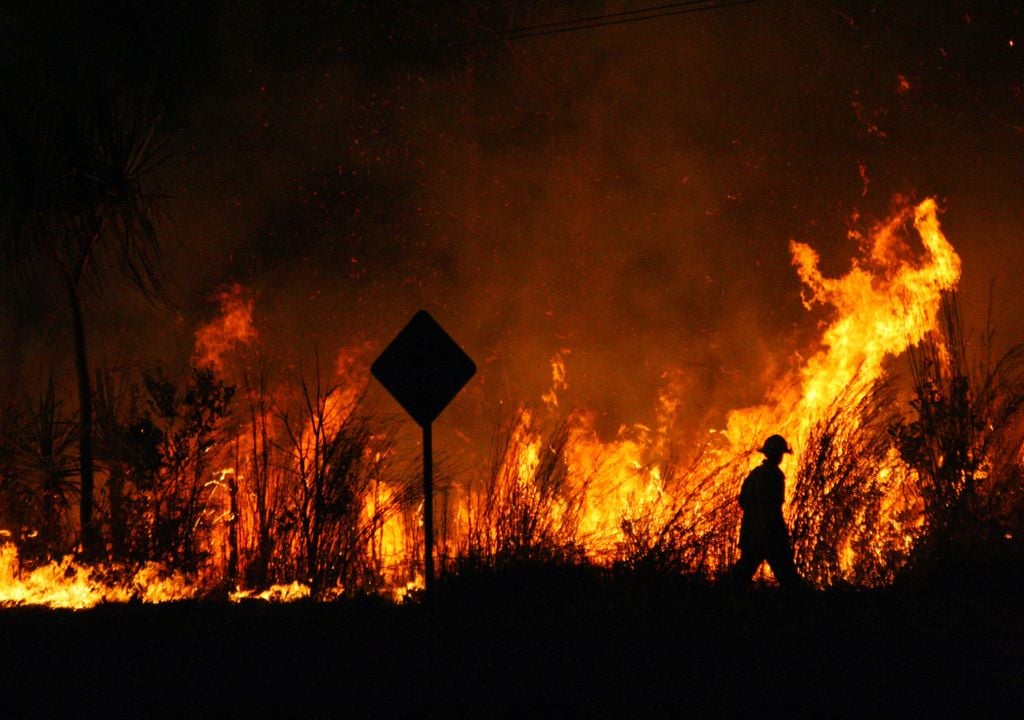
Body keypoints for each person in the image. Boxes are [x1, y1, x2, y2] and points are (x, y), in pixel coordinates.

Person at [730, 434, 803, 588]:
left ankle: (719, 595)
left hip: (752, 532)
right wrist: (777, 532)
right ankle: (802, 601)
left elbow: (743, 500)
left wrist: (753, 519)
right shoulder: (774, 475)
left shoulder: (755, 473)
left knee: (742, 571)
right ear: (779, 455)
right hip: (770, 534)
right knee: (788, 575)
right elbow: (772, 508)